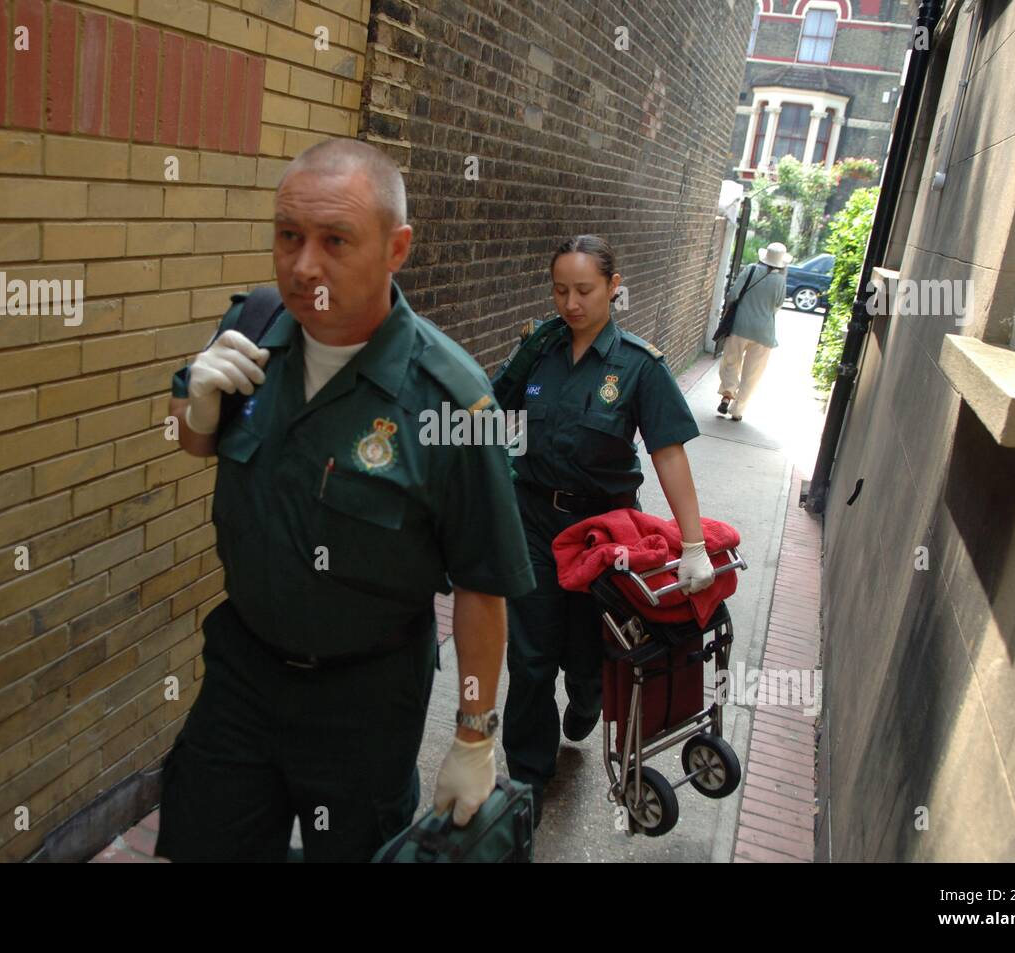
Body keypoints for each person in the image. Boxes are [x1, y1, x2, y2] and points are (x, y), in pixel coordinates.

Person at [155, 139, 535, 862]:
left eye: (335, 241)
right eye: (289, 236)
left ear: (396, 248)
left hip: (365, 702)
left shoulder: (452, 400)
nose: (304, 267)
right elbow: (195, 443)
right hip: (243, 671)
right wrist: (195, 409)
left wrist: (475, 735)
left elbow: (485, 584)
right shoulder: (252, 329)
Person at [491, 234, 716, 825]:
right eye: (560, 289)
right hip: (535, 519)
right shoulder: (537, 352)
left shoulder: (638, 365)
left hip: (603, 533)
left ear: (614, 288)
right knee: (532, 654)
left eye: (584, 290)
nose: (571, 302)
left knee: (587, 651)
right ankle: (527, 779)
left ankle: (588, 696)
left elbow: (668, 452)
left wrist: (692, 544)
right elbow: (491, 418)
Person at [716, 241, 791, 421]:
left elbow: (733, 295)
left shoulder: (750, 270)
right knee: (753, 372)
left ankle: (727, 394)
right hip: (764, 333)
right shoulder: (780, 280)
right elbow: (778, 304)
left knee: (731, 361)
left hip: (739, 326)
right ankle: (738, 410)